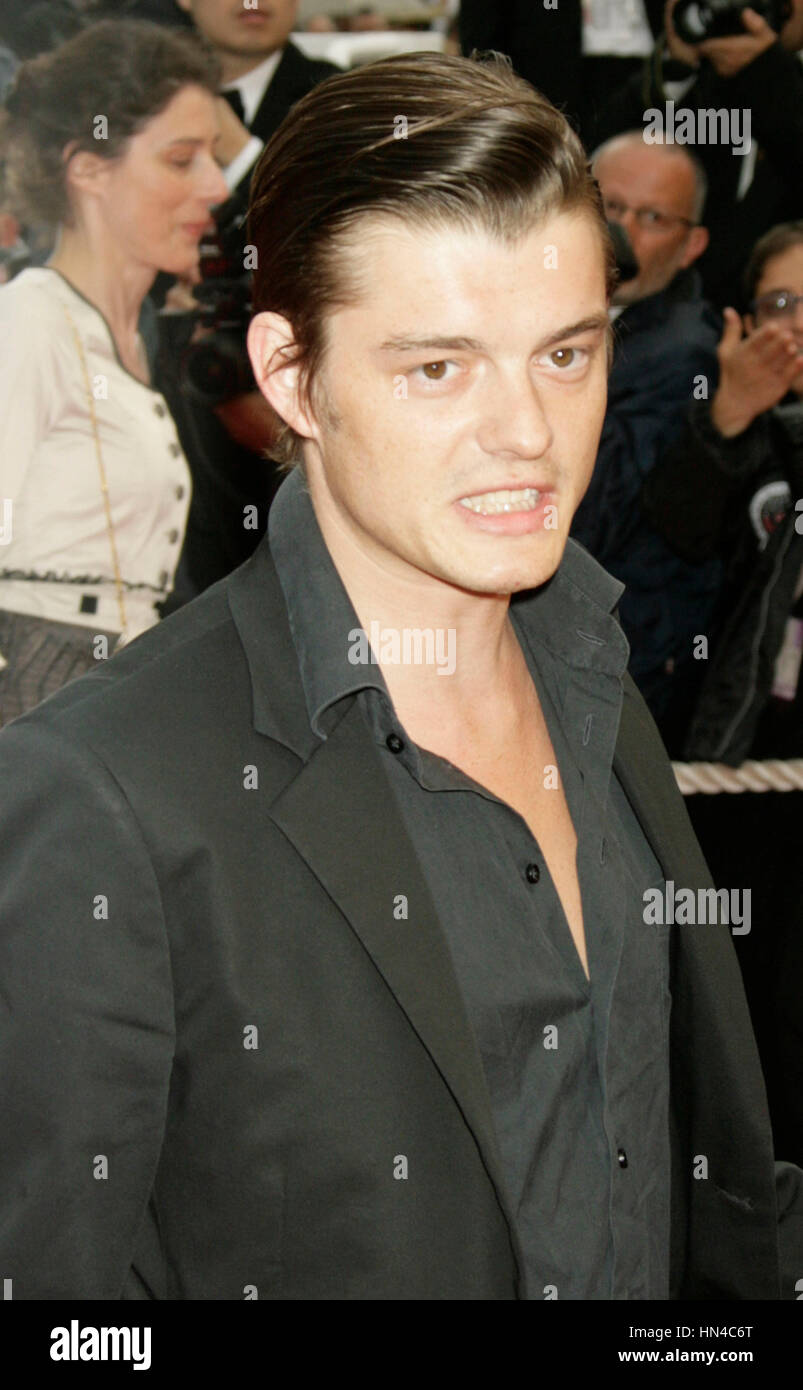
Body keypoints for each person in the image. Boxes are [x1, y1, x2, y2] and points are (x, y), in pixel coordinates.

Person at [0, 50, 800, 1301]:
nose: (526, 432)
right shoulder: (105, 794)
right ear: (291, 375)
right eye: (438, 367)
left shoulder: (598, 680)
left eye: (564, 355)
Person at [0, 20, 228, 726]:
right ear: (89, 169)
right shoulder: (26, 324)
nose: (216, 187)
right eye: (181, 159)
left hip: (126, 675)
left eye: (213, 157)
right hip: (40, 687)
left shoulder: (139, 335)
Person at [153, 0, 340, 599]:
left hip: (301, 418)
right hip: (163, 412)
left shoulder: (342, 102)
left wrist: (241, 159)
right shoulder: (134, 96)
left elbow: (338, 245)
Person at [570, 131, 721, 730]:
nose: (624, 231)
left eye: (654, 217)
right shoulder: (551, 307)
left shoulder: (684, 355)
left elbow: (584, 518)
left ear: (692, 245)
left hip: (617, 668)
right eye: (610, 207)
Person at [592, 0, 803, 311]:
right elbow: (592, 166)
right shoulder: (694, 84)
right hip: (660, 319)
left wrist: (769, 76)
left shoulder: (777, 83)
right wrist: (677, 65)